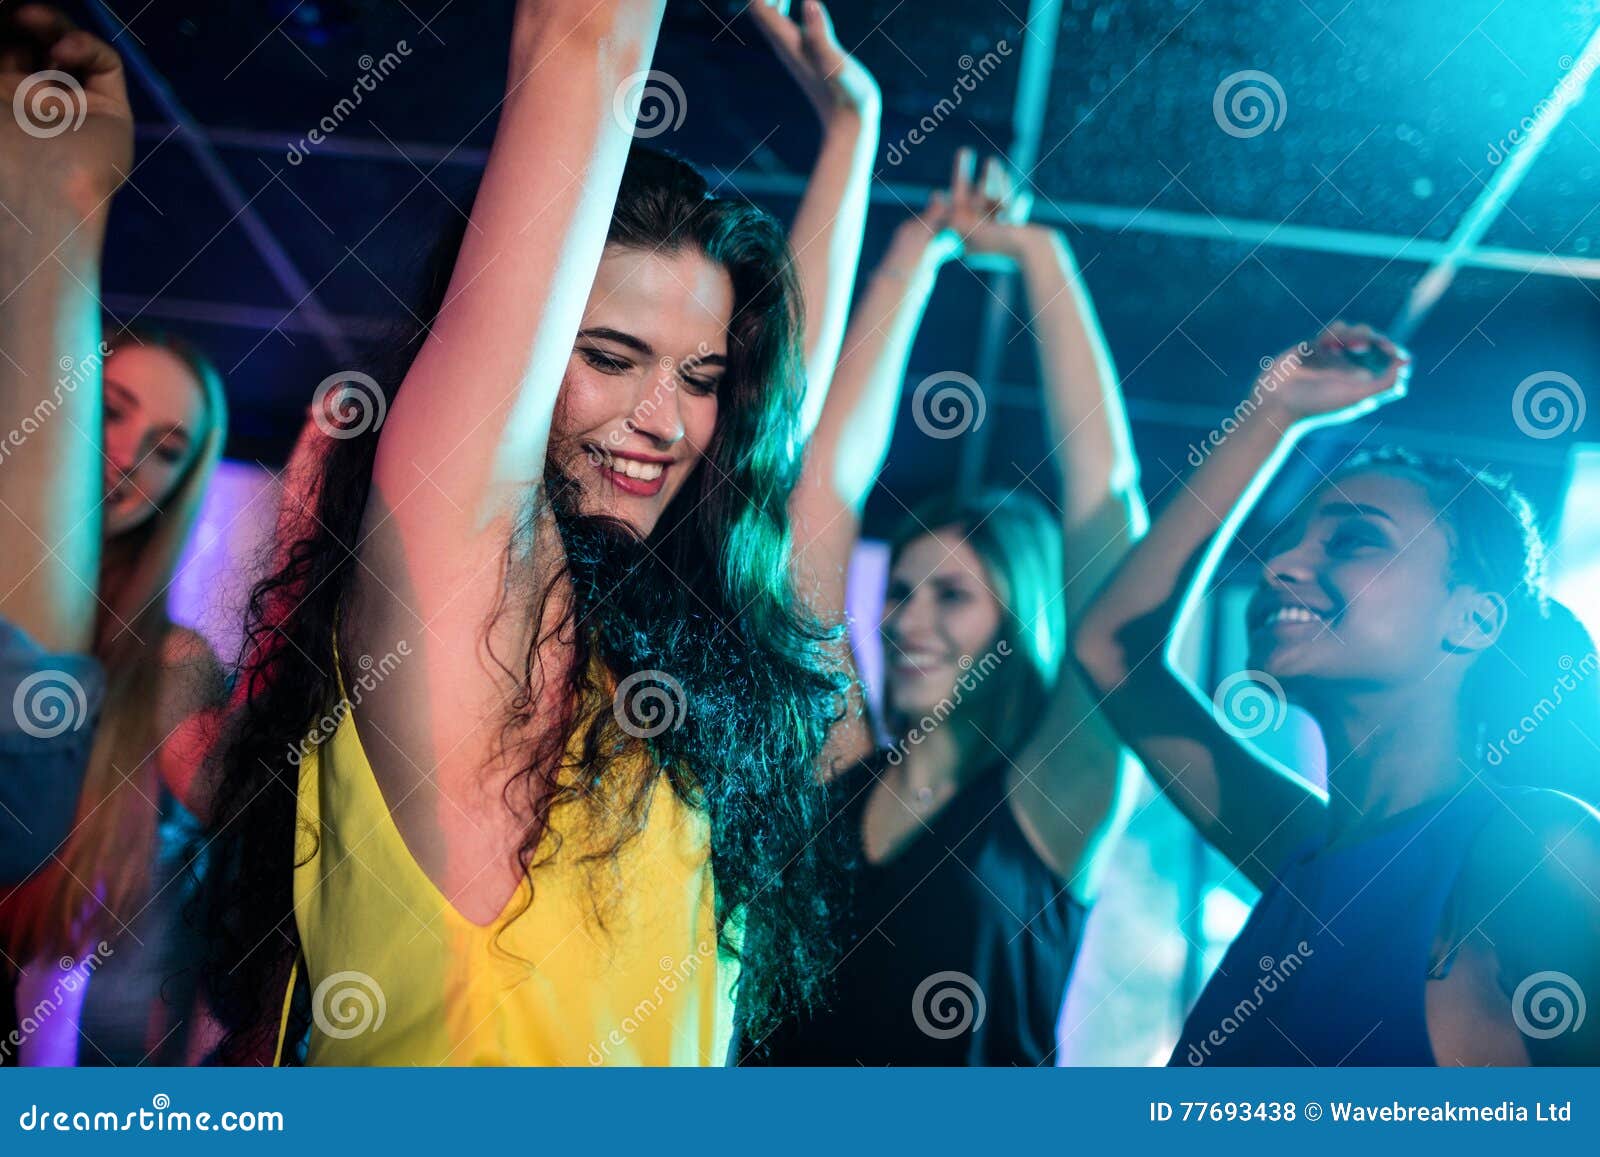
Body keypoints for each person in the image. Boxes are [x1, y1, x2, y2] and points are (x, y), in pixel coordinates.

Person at [197, 0, 881, 1066]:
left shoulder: (644, 683)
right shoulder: (473, 592)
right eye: (609, 357)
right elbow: (579, 43)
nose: (663, 419)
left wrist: (853, 132)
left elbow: (771, 430)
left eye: (700, 377)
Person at [1074, 322, 1600, 1065]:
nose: (1280, 565)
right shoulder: (1301, 851)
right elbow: (1111, 652)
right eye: (1286, 541)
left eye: (1354, 540)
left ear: (1474, 619)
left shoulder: (1536, 848)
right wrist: (1273, 411)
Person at [744, 150, 1147, 1065]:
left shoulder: (1054, 798)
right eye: (899, 590)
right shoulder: (841, 759)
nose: (905, 620)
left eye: (954, 595)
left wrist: (1041, 257)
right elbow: (823, 494)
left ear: (1020, 620)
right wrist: (911, 257)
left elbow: (1106, 508)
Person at [0, 8, 228, 1066]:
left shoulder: (174, 668)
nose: (131, 454)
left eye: (169, 447)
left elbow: (245, 894)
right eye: (114, 411)